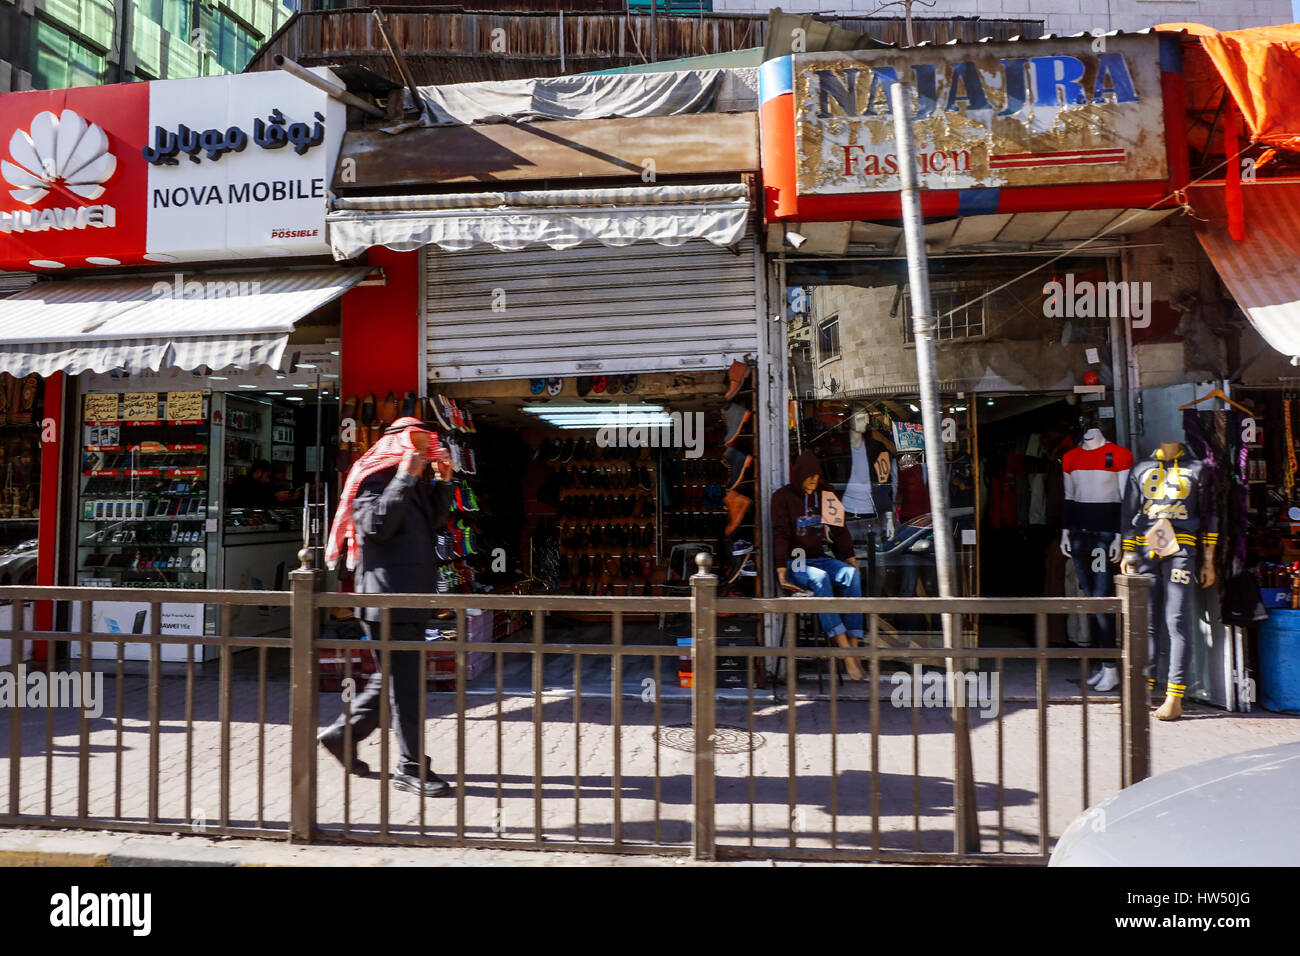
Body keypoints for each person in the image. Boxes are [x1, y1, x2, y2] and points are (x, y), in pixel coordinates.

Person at [318, 416, 455, 796]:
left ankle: (342, 736)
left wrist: (443, 481)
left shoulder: (414, 480)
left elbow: (436, 522)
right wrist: (406, 477)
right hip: (386, 600)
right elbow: (377, 525)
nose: (424, 451)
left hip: (411, 597)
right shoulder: (370, 479)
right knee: (406, 688)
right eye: (417, 443)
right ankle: (410, 768)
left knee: (393, 681)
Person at [772, 449, 868, 681]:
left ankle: (853, 647)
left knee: (851, 575)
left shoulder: (826, 494)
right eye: (809, 475)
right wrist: (781, 571)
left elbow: (839, 528)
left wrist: (850, 559)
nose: (814, 479)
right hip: (797, 561)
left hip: (820, 557)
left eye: (817, 475)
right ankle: (846, 654)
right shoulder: (783, 497)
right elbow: (781, 533)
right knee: (820, 579)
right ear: (800, 475)